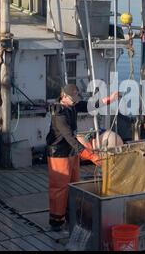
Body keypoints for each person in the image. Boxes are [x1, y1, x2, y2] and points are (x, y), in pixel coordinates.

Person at [46, 84, 120, 231]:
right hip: (59, 153)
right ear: (64, 96)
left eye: (75, 99)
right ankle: (56, 221)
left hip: (72, 152)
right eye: (72, 99)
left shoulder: (73, 105)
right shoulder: (59, 115)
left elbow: (90, 106)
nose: (75, 102)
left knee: (74, 184)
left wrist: (109, 99)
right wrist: (91, 156)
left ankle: (70, 216)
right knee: (59, 187)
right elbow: (70, 139)